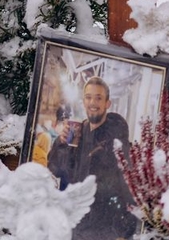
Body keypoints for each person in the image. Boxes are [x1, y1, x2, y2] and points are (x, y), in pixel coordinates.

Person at [46, 76, 136, 240]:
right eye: (88, 97)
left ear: (108, 104)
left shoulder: (116, 138)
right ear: (83, 101)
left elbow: (127, 184)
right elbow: (57, 170)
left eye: (98, 98)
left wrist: (124, 231)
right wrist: (60, 142)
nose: (92, 103)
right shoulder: (78, 133)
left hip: (105, 228)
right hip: (76, 224)